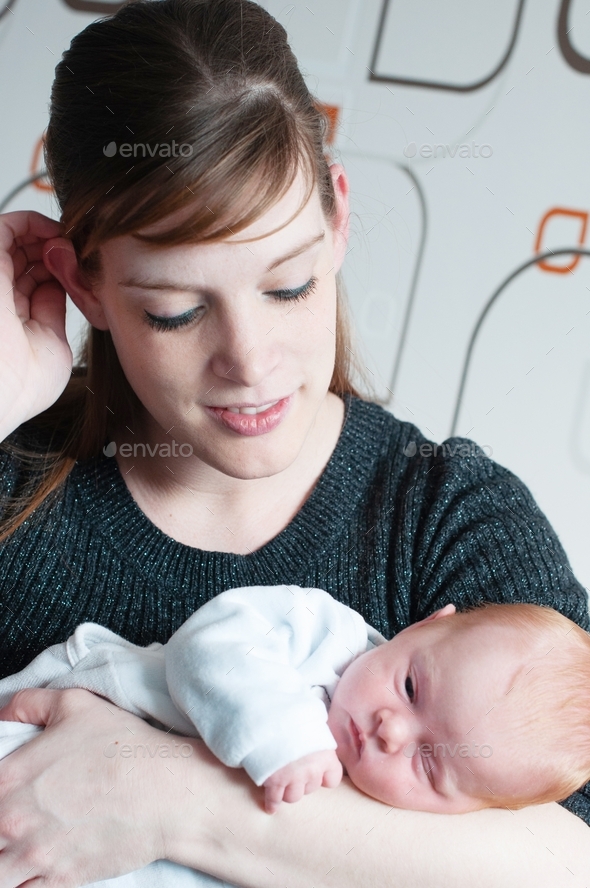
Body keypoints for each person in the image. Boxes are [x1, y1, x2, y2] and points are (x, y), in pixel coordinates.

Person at [0, 0, 589, 885]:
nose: (250, 364)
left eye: (288, 286)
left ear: (338, 217)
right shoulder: (18, 482)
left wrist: (170, 797)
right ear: (84, 285)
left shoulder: (442, 514)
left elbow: (570, 859)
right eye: (177, 310)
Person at [0, 584, 588, 888]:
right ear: (425, 625)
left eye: (428, 762)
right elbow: (209, 647)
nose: (390, 730)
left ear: (471, 812)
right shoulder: (324, 634)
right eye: (410, 687)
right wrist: (283, 737)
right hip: (63, 724)